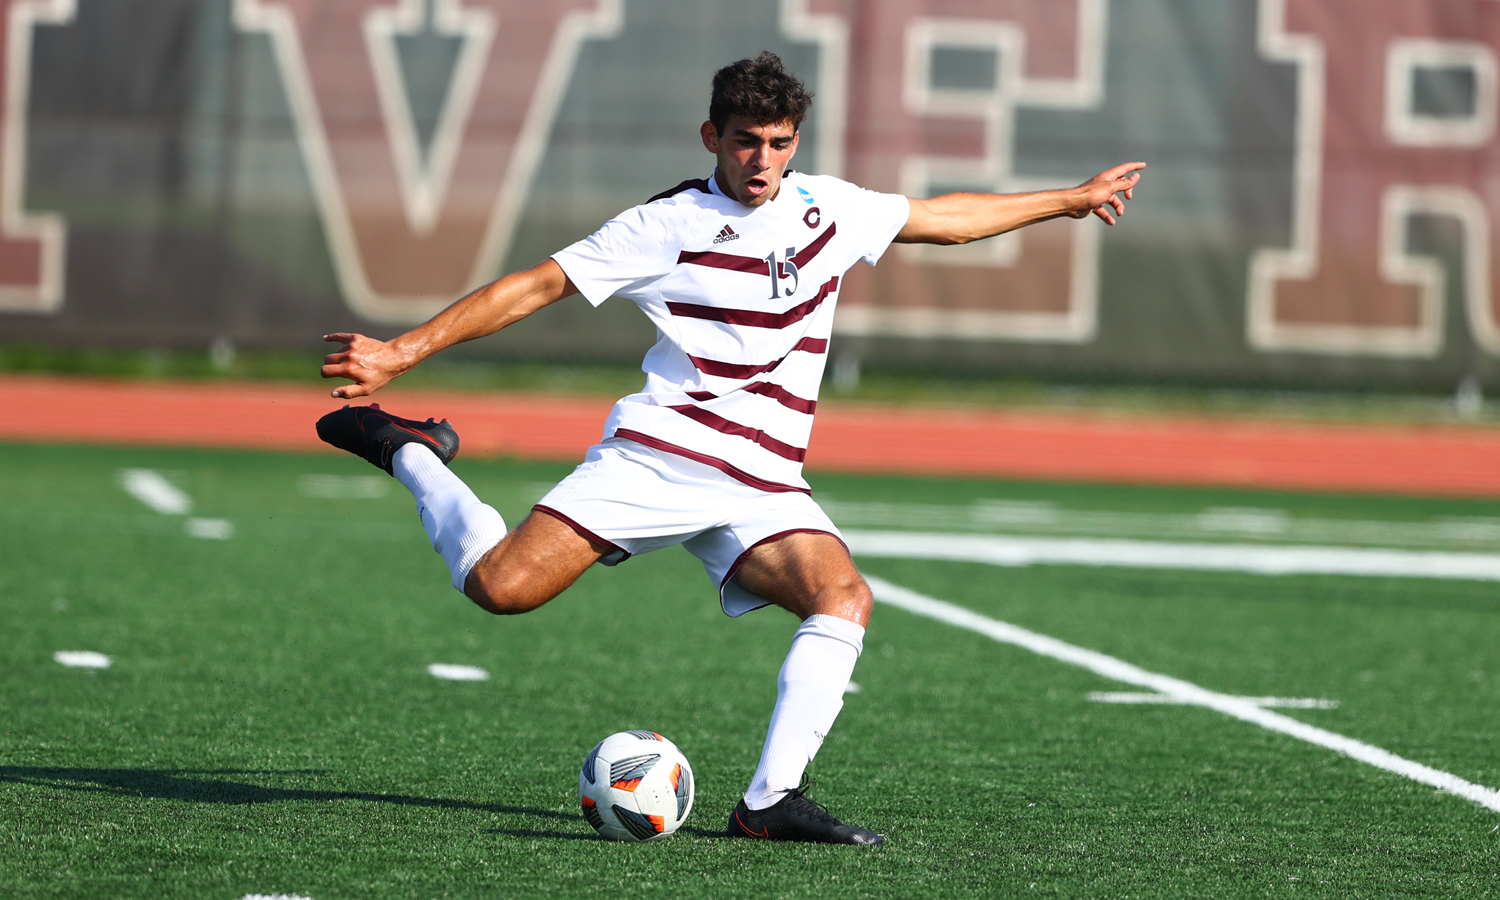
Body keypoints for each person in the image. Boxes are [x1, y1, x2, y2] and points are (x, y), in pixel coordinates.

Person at [317, 51, 1143, 846]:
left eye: (780, 141)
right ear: (711, 136)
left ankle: (768, 803)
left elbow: (944, 220)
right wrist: (401, 352)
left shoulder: (827, 209)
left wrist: (1068, 200)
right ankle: (412, 450)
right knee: (499, 587)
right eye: (747, 139)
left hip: (763, 483)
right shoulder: (665, 225)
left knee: (843, 597)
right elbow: (534, 287)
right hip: (659, 460)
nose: (764, 159)